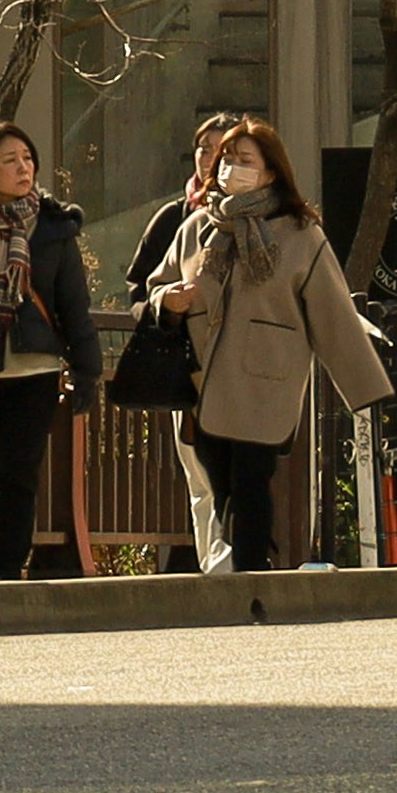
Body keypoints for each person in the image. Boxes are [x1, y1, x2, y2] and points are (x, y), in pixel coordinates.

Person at [140, 122, 390, 578]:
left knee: (251, 481)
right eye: (227, 160)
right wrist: (165, 302)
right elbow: (155, 285)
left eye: (245, 160)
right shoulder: (197, 228)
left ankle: (251, 578)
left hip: (266, 378)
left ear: (272, 172)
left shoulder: (300, 233)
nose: (233, 168)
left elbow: (333, 312)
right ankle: (250, 562)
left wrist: (365, 390)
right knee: (222, 486)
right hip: (204, 381)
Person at [0, 125, 100, 582]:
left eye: (27, 158)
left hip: (34, 371)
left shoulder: (53, 227)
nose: (23, 168)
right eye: (10, 160)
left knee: (19, 475)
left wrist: (87, 371)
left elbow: (74, 305)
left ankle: (4, 575)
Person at [121, 118, 254, 572]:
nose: (209, 157)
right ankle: (216, 565)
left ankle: (249, 558)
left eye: (221, 149)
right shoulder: (179, 220)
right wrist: (166, 304)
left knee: (246, 472)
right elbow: (139, 288)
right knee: (200, 474)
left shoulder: (270, 220)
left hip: (247, 368)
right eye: (202, 147)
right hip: (191, 366)